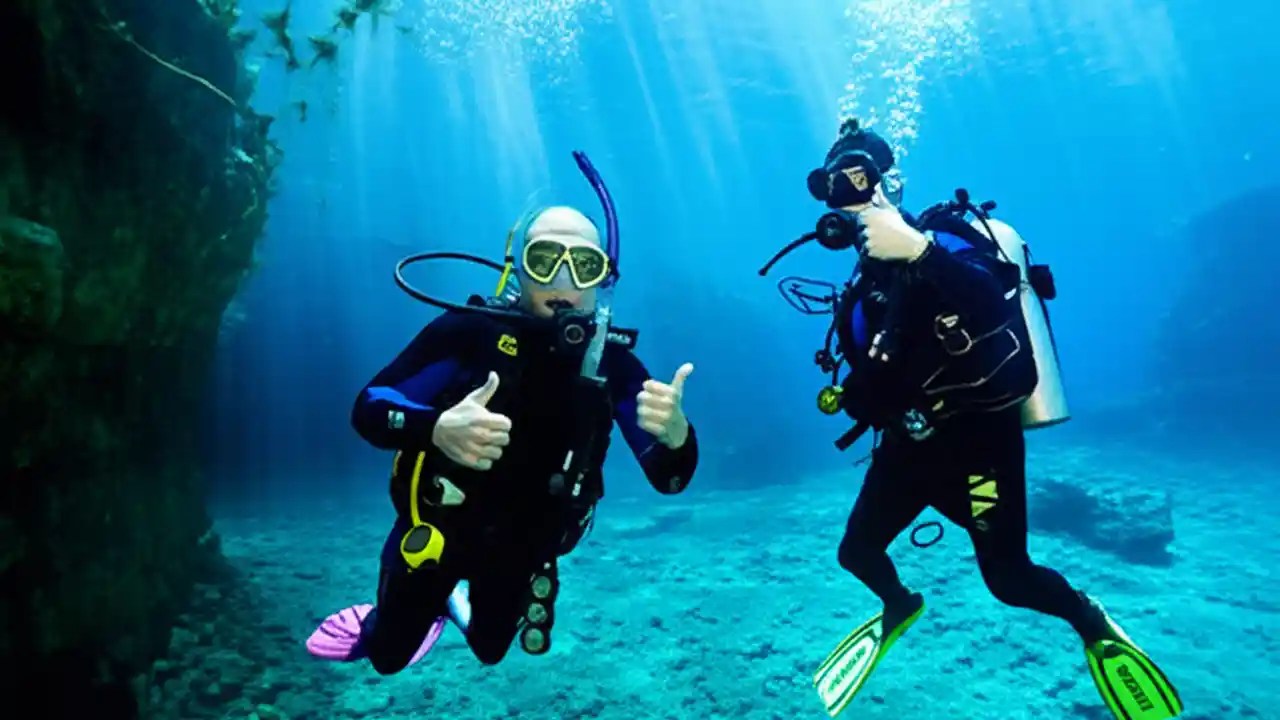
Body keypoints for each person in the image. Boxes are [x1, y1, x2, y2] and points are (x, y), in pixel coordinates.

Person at [773, 119, 1182, 720]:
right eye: (834, 185)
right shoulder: (862, 285)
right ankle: (900, 604)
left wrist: (921, 251)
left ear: (890, 182)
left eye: (861, 177)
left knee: (1009, 580)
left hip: (978, 446)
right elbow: (877, 376)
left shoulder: (940, 237)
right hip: (908, 449)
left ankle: (1089, 619)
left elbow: (992, 300)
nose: (849, 196)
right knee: (856, 552)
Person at [305, 197, 700, 672]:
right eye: (545, 260)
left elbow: (670, 479)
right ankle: (387, 618)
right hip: (440, 530)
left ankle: (451, 601)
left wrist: (677, 434)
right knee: (387, 658)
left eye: (584, 265)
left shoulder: (611, 365)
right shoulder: (469, 334)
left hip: (524, 544)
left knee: (489, 650)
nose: (563, 282)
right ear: (519, 269)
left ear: (603, 279)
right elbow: (369, 408)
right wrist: (435, 428)